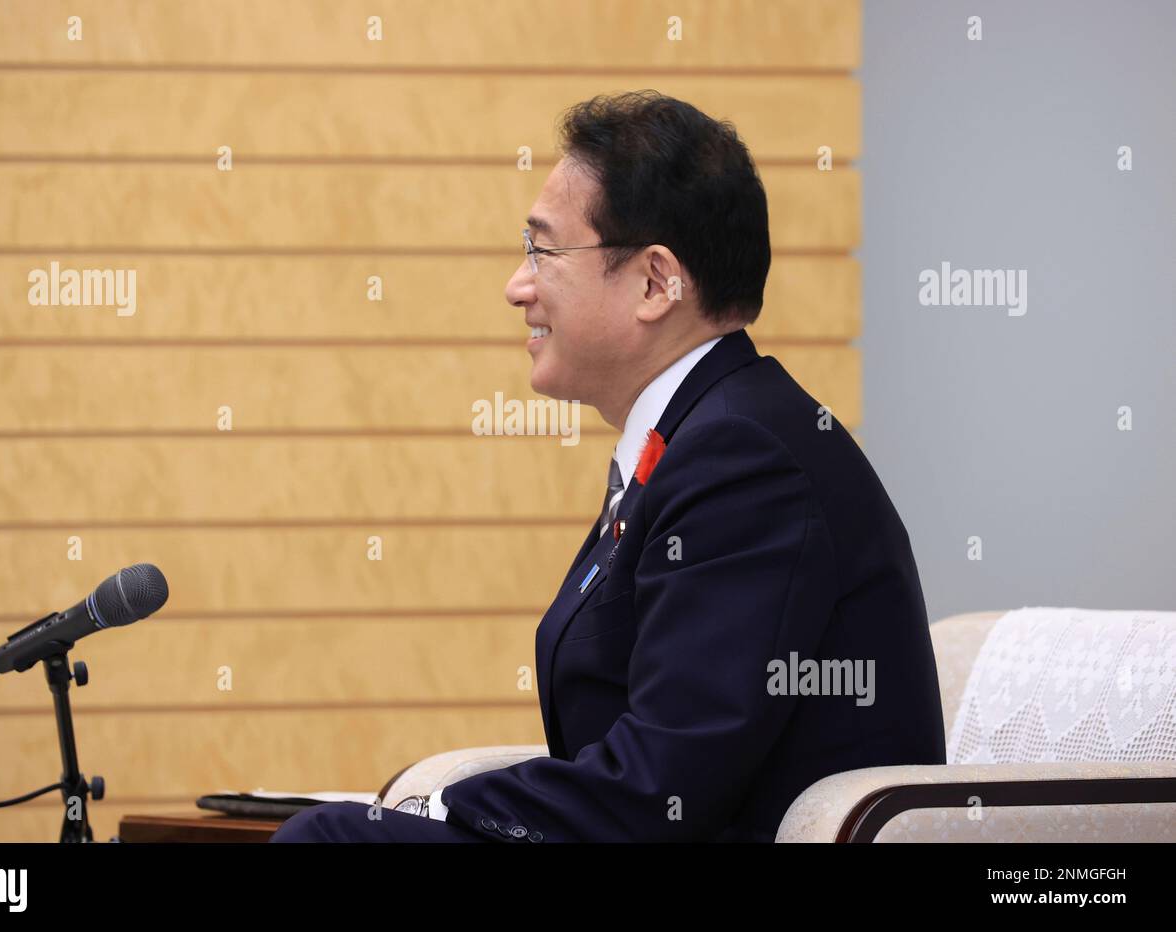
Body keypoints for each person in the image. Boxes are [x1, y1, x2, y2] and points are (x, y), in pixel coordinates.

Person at [271, 91, 945, 843]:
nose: (517, 286)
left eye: (543, 250)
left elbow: (655, 789)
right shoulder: (704, 435)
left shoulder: (748, 459)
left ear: (656, 283)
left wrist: (440, 810)